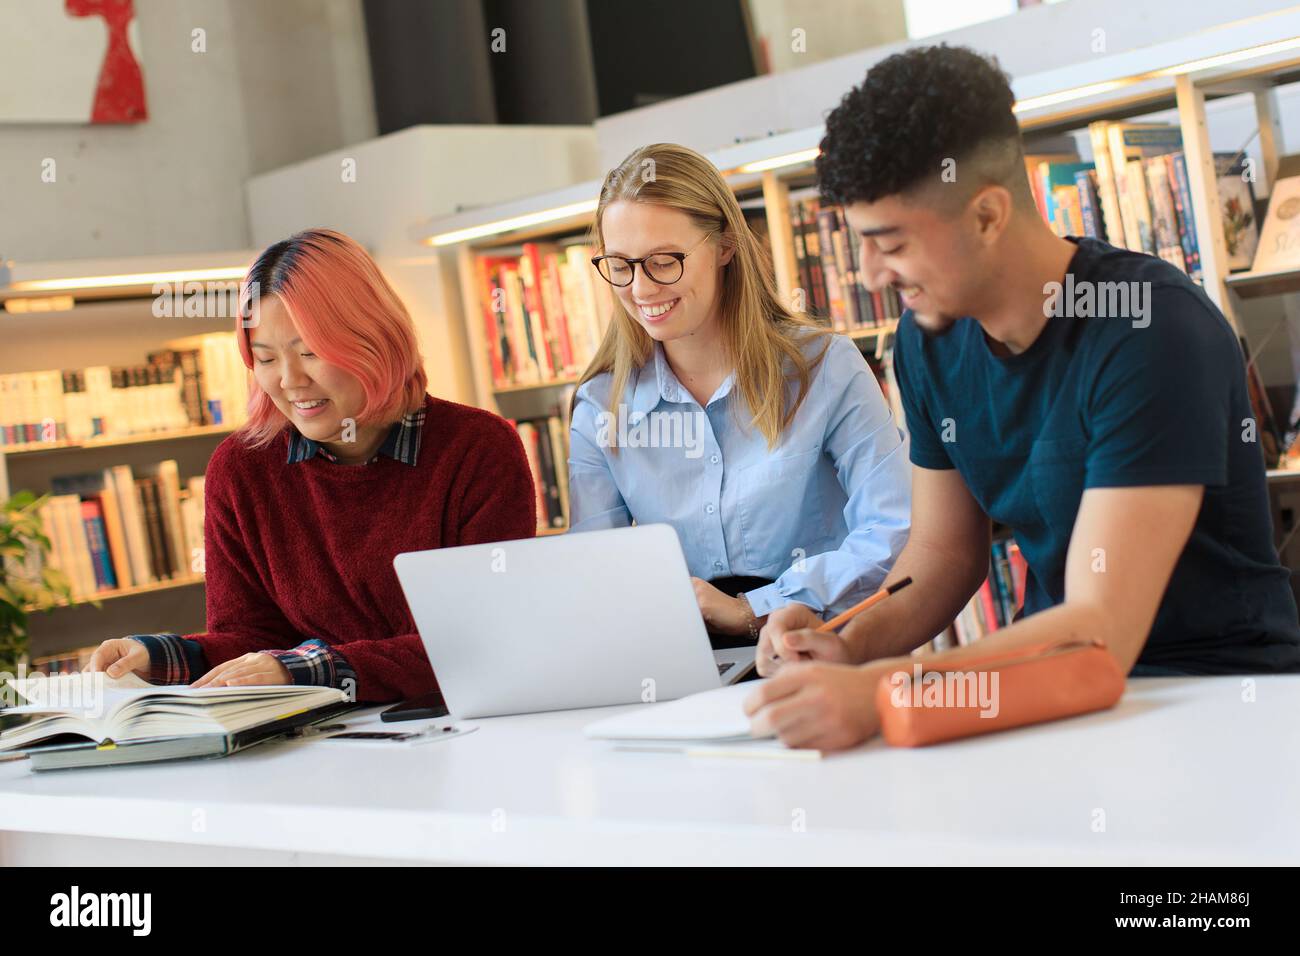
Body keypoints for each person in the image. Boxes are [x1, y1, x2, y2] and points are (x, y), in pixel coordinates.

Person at [748, 45, 1300, 751]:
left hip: (1212, 702)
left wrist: (889, 694)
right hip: (1050, 701)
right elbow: (943, 556)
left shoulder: (1149, 328)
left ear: (986, 215)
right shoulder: (927, 338)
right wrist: (846, 646)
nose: (870, 273)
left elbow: (1101, 632)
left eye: (888, 243)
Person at [87, 228, 535, 702]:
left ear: (374, 338)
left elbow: (483, 642)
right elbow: (250, 640)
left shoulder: (478, 449)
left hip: (461, 735)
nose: (289, 381)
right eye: (265, 358)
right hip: (317, 751)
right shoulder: (241, 470)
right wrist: (165, 656)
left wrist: (310, 669)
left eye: (310, 353)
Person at [568, 143, 910, 642]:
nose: (641, 289)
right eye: (620, 265)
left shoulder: (825, 366)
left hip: (823, 648)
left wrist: (754, 608)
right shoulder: (602, 405)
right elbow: (594, 574)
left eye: (664, 261)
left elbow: (894, 530)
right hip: (681, 667)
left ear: (726, 245)